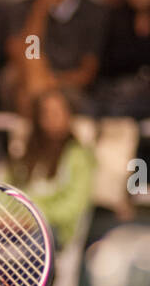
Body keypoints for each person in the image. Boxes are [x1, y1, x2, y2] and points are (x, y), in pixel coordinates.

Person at [3, 0, 106, 116]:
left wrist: (51, 82)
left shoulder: (93, 12)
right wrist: (40, 10)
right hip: (30, 78)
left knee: (35, 93)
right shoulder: (26, 7)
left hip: (68, 86)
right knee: (16, 80)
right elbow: (26, 55)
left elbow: (86, 73)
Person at [6, 88, 95, 249]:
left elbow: (73, 206)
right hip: (12, 226)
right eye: (45, 112)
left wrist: (33, 220)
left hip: (53, 230)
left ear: (69, 115)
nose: (51, 118)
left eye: (57, 112)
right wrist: (4, 218)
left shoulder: (79, 157)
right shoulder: (25, 153)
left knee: (31, 246)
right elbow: (4, 190)